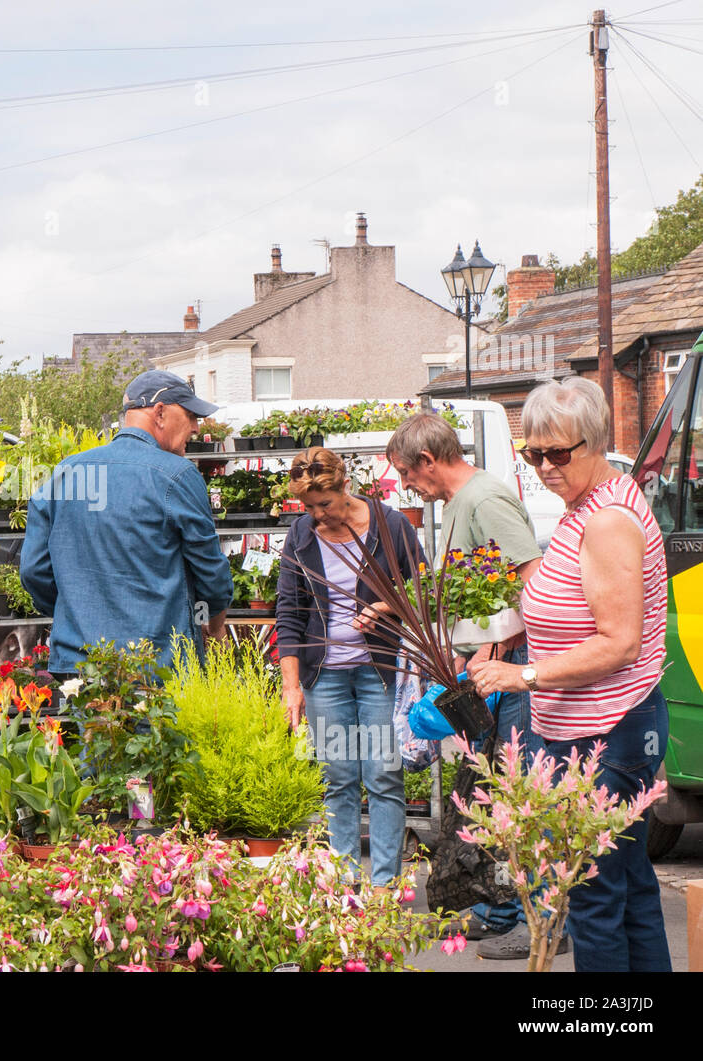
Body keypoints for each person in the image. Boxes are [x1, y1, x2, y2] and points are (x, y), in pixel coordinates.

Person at [469, 377, 670, 972]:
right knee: (627, 890)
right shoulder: (589, 505)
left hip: (606, 730)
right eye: (533, 453)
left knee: (591, 898)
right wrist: (515, 637)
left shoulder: (607, 519)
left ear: (597, 442)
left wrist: (523, 676)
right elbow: (578, 608)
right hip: (599, 727)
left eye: (559, 452)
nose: (544, 466)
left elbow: (619, 643)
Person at [387, 412, 548, 957]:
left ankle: (539, 920)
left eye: (408, 474)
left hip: (513, 663)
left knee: (514, 789)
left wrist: (500, 646)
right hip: (488, 666)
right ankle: (496, 910)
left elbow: (535, 580)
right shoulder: (460, 502)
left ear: (428, 462)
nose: (407, 486)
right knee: (488, 789)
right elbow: (485, 583)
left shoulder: (484, 500)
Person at [20, 369, 232, 675]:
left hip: (78, 664)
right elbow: (211, 574)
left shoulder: (67, 472)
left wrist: (74, 611)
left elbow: (33, 569)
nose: (196, 427)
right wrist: (215, 626)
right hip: (156, 668)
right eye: (190, 415)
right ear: (160, 412)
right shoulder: (177, 475)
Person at [276, 447, 424, 886]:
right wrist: (291, 686)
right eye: (309, 507)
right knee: (338, 777)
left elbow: (425, 589)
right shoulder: (302, 535)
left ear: (346, 488)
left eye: (326, 504)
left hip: (379, 673)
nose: (318, 515)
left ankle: (383, 885)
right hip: (325, 677)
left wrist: (383, 607)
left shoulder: (390, 526)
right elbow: (288, 612)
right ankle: (342, 883)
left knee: (382, 775)